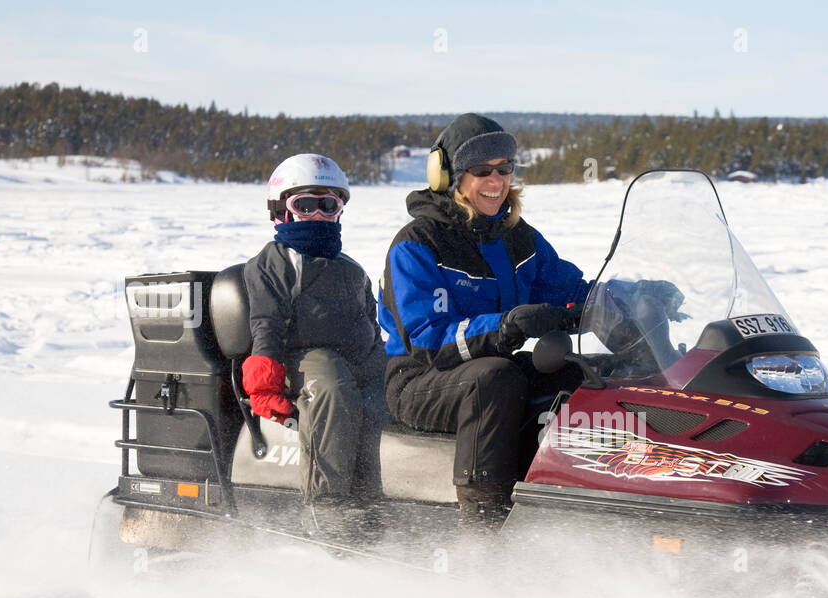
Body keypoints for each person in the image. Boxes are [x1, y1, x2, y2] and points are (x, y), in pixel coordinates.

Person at [377, 114, 586, 524]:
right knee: (493, 379)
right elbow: (427, 338)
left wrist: (630, 297)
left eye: (504, 168)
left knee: (575, 375)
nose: (496, 180)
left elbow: (568, 290)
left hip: (491, 365)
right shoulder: (418, 244)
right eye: (480, 170)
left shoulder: (518, 237)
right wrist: (505, 325)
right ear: (449, 177)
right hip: (417, 380)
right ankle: (483, 514)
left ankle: (567, 495)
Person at [241, 152, 387, 538]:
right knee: (333, 385)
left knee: (383, 396)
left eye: (328, 205)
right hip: (300, 359)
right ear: (281, 211)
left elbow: (371, 324)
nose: (319, 214)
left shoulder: (351, 268)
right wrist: (264, 384)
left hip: (352, 358)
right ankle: (326, 506)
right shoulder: (274, 263)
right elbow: (266, 325)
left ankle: (374, 500)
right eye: (306, 205)